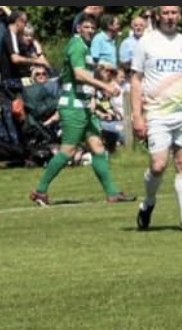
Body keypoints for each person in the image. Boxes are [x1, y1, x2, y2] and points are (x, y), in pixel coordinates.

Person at [29, 13, 134, 207]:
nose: (90, 31)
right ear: (78, 28)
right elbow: (79, 74)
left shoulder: (84, 47)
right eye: (86, 27)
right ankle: (40, 191)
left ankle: (112, 193)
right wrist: (104, 86)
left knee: (98, 148)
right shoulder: (76, 45)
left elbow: (88, 72)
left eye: (93, 28)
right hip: (73, 107)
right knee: (68, 151)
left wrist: (105, 77)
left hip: (84, 107)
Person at [130, 5, 182, 233]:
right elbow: (136, 80)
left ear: (179, 15)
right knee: (158, 165)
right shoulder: (147, 42)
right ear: (158, 15)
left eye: (174, 13)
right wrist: (137, 116)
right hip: (156, 113)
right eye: (166, 13)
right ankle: (148, 203)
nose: (170, 17)